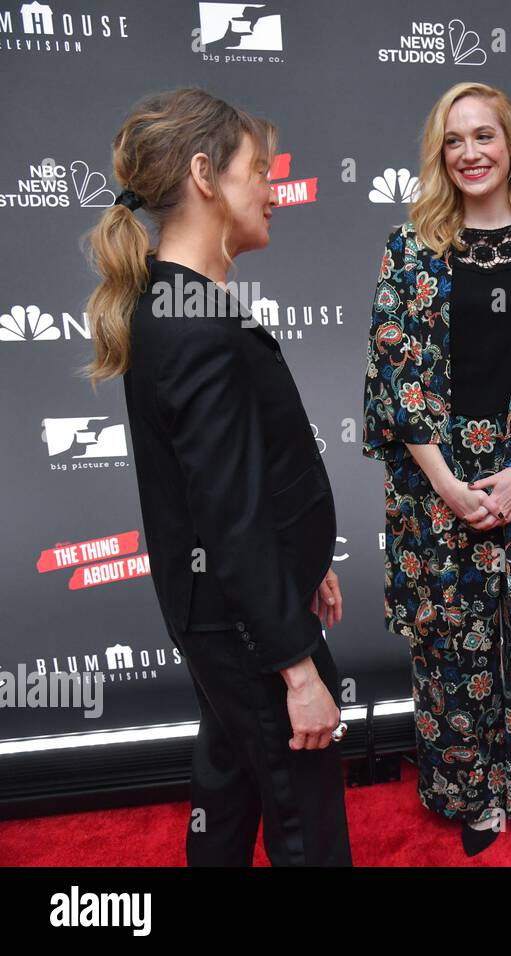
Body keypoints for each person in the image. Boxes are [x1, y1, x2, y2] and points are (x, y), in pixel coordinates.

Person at [82, 88, 351, 866]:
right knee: (308, 830)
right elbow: (227, 520)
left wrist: (303, 568)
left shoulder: (172, 303)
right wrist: (297, 668)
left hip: (233, 615)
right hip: (248, 630)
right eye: (259, 170)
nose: (273, 189)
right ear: (206, 174)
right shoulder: (192, 323)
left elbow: (240, 488)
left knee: (228, 789)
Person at [361, 82, 511, 858]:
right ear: (441, 153)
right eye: (454, 140)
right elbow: (394, 380)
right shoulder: (409, 248)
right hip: (439, 484)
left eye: (484, 136)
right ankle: (474, 796)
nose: (470, 153)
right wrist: (446, 485)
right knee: (453, 646)